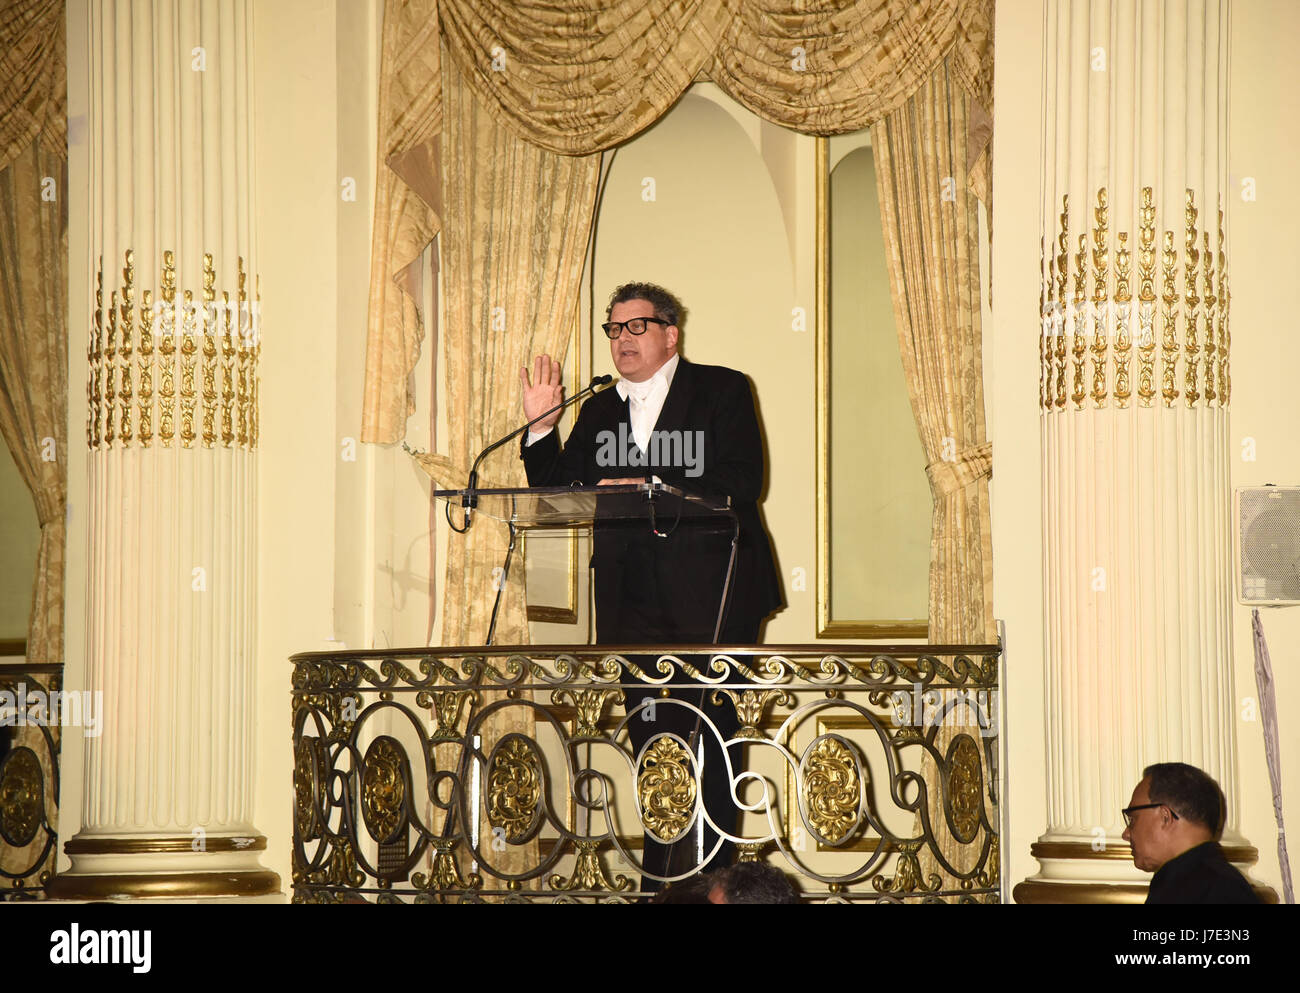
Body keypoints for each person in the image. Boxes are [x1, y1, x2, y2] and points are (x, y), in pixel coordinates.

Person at [519, 282, 783, 888]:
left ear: (671, 333)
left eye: (636, 326)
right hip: (632, 601)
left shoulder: (723, 388)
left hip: (714, 596)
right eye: (613, 329)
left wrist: (649, 481)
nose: (621, 339)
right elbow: (557, 490)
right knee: (652, 744)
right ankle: (660, 886)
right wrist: (541, 427)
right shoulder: (599, 410)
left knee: (712, 749)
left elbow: (743, 481)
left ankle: (713, 888)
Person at [1121, 761, 1262, 904]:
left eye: (1132, 819)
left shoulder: (1205, 890)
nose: (1125, 834)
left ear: (1165, 817)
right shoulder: (1212, 884)